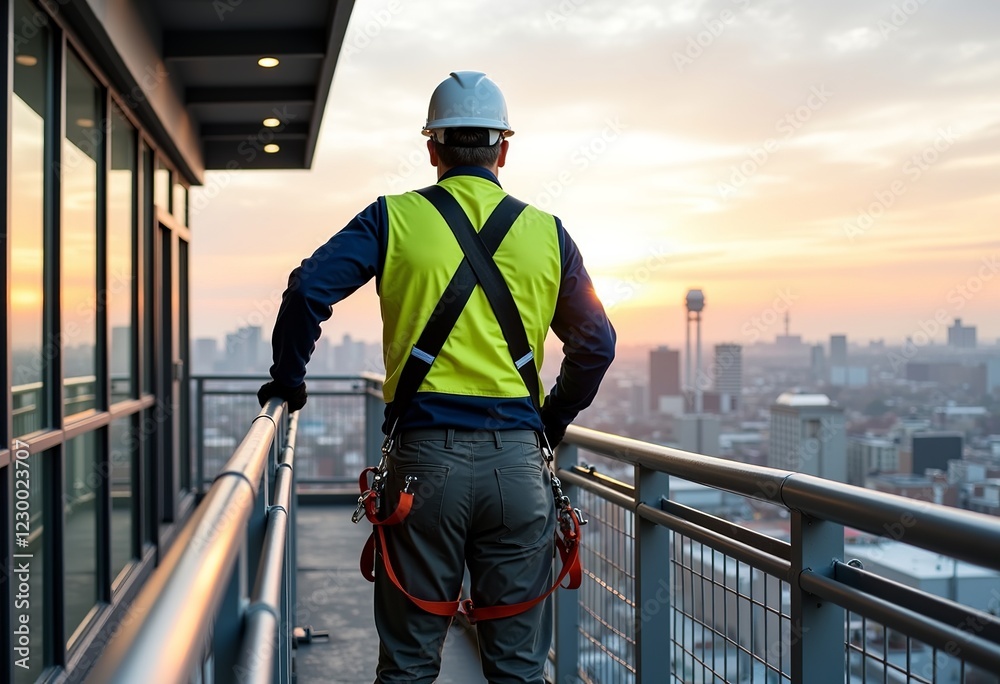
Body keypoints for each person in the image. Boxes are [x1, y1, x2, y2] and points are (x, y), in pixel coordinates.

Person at [258, 70, 616, 684]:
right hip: (518, 469)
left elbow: (307, 291)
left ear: (432, 148)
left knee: (408, 666)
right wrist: (549, 422)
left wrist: (288, 381)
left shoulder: (392, 218)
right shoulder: (548, 233)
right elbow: (596, 345)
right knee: (519, 671)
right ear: (503, 150)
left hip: (421, 472)